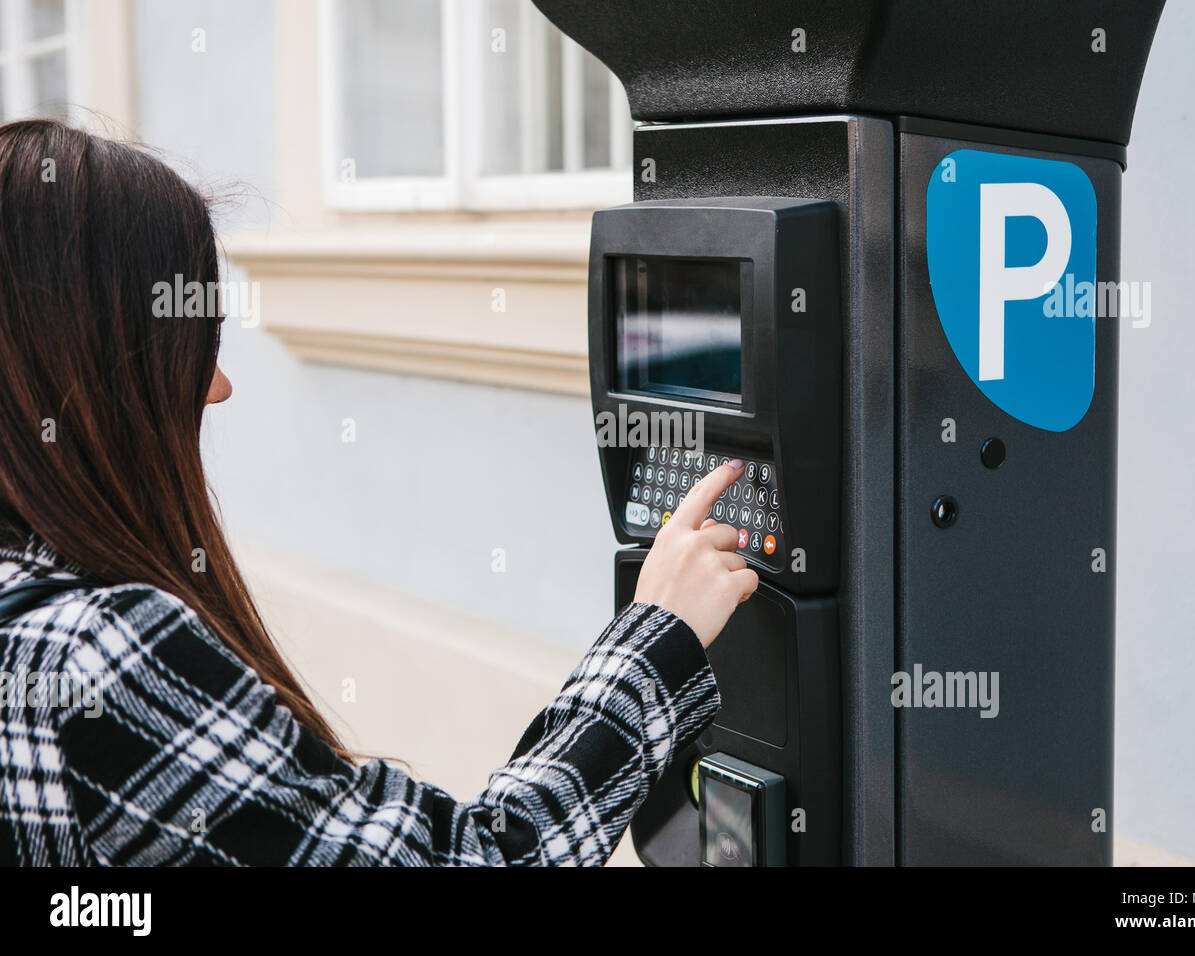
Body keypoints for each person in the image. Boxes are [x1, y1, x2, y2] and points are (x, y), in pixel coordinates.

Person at [0, 119, 757, 866]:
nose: (218, 386)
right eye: (199, 345)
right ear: (100, 368)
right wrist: (657, 636)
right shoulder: (93, 655)